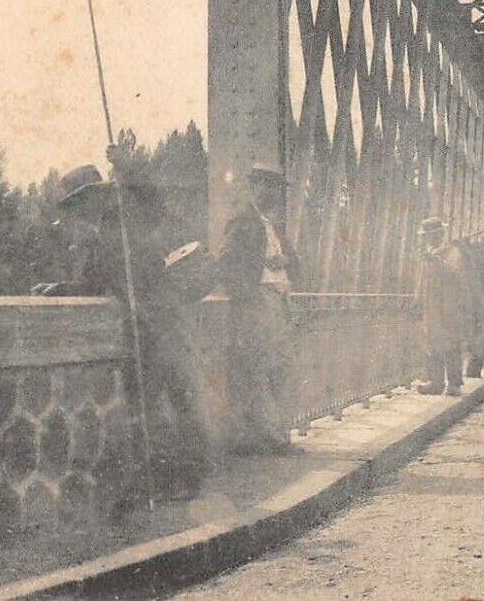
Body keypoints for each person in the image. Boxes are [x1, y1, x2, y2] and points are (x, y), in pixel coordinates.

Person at [50, 146, 211, 501]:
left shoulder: (125, 223)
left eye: (83, 202)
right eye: (76, 205)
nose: (80, 211)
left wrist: (127, 165)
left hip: (160, 320)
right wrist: (60, 289)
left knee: (172, 399)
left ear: (95, 197)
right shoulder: (104, 235)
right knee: (156, 403)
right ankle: (171, 479)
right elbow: (94, 284)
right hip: (148, 323)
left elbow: (154, 201)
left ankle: (186, 479)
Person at [215, 164, 301, 454]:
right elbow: (226, 263)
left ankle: (273, 435)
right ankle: (272, 438)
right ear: (257, 186)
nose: (277, 194)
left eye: (278, 188)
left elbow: (298, 264)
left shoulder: (270, 224)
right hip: (259, 305)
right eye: (272, 187)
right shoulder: (244, 220)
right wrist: (248, 297)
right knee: (263, 369)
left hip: (277, 304)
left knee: (279, 368)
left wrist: (285, 262)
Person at [414, 217, 469, 396]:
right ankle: (436, 382)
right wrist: (418, 298)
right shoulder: (431, 251)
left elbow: (455, 274)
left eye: (430, 235)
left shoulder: (452, 252)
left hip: (449, 306)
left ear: (439, 234)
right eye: (426, 236)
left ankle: (454, 384)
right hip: (432, 306)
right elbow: (424, 278)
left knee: (451, 343)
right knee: (432, 342)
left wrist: (435, 261)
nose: (427, 239)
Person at [458, 219, 484, 379]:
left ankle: (477, 368)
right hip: (477, 298)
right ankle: (473, 371)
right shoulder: (473, 249)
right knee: (479, 335)